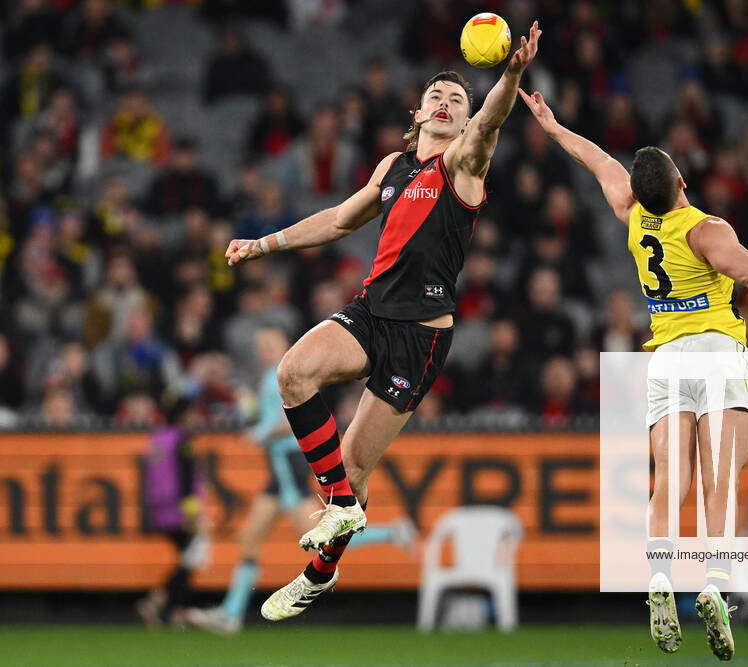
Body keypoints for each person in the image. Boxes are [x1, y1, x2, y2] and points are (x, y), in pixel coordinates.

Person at [224, 22, 542, 621]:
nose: (448, 105)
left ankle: (320, 573)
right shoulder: (394, 166)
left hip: (420, 338)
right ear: (418, 112)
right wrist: (264, 244)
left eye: (458, 100)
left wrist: (511, 76)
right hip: (370, 312)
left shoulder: (464, 164)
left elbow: (492, 122)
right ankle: (343, 508)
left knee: (352, 468)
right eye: (438, 98)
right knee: (292, 374)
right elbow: (340, 221)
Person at [519, 87, 748, 661]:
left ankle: (660, 575)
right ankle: (714, 584)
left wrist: (552, 123)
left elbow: (596, 160)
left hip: (664, 357)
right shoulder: (706, 230)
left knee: (670, 476)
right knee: (722, 476)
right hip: (716, 351)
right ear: (682, 181)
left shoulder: (632, 214)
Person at [187, 328, 416, 635]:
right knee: (250, 537)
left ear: (285, 345)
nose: (265, 350)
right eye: (261, 345)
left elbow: (287, 421)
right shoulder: (270, 376)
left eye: (270, 344)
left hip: (286, 465)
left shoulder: (279, 376)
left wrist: (259, 434)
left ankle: (392, 533)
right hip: (278, 468)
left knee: (317, 534)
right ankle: (230, 613)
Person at [136, 392, 210, 628]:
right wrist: (192, 513)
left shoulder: (158, 438)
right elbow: (186, 480)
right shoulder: (182, 440)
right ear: (184, 414)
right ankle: (163, 606)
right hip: (179, 510)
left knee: (188, 557)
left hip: (160, 508)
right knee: (193, 556)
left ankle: (164, 606)